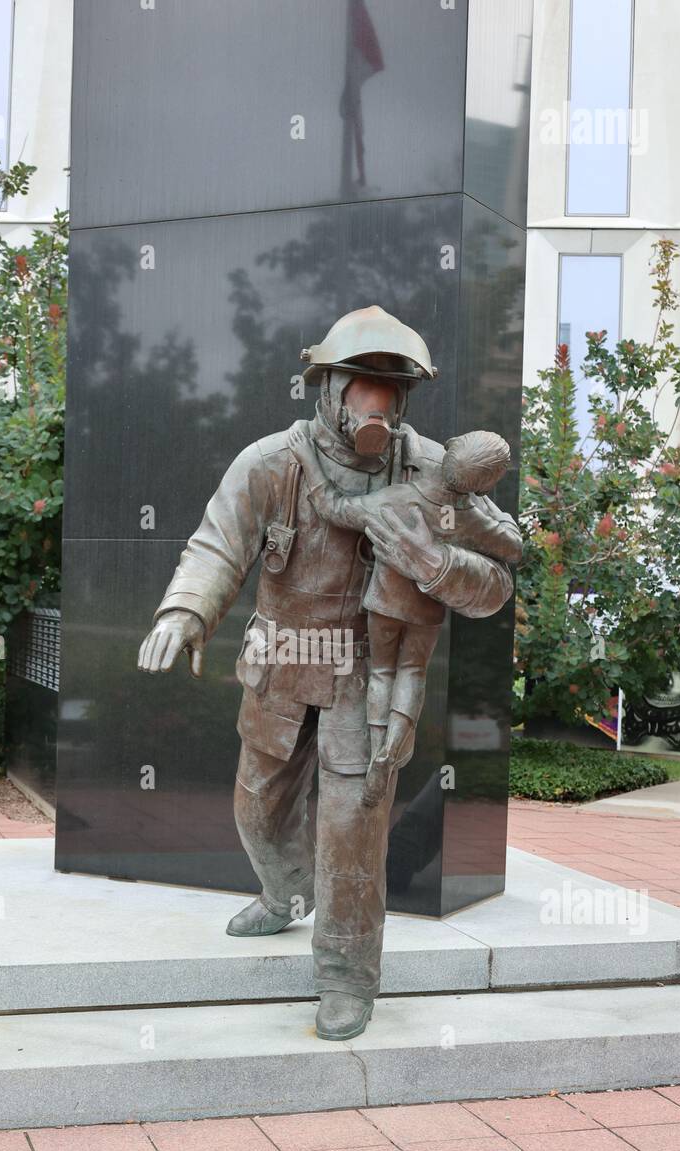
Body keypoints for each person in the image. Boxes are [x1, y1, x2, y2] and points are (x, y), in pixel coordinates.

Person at [138, 306, 518, 1041]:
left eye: (388, 386)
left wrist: (438, 565)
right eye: (360, 383)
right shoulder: (272, 465)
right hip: (282, 668)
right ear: (327, 388)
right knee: (257, 811)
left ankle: (347, 977)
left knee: (351, 835)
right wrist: (183, 612)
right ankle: (282, 894)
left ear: (403, 397)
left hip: (368, 685)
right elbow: (217, 547)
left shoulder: (437, 474)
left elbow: (499, 581)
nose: (374, 401)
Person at [285, 419, 522, 805]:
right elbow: (513, 546)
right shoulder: (473, 520)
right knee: (412, 671)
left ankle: (377, 744)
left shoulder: (395, 498)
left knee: (381, 672)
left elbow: (332, 506)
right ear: (485, 485)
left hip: (384, 602)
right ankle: (391, 753)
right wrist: (478, 508)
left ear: (450, 445)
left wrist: (308, 457)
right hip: (426, 607)